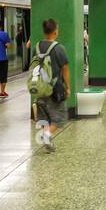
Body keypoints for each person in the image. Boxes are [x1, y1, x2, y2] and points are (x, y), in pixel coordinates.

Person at [32, 18, 70, 152]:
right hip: (54, 88)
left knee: (44, 118)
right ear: (55, 31)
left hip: (38, 87)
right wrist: (68, 87)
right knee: (59, 117)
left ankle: (47, 139)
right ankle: (46, 135)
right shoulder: (59, 48)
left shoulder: (36, 47)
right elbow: (65, 69)